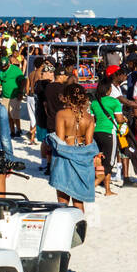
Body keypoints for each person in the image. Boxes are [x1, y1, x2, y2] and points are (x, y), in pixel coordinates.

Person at [48, 82, 97, 211]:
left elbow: (60, 140)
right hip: (81, 159)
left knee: (62, 202)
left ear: (67, 97)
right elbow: (89, 143)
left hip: (63, 160)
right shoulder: (89, 118)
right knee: (78, 202)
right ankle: (79, 228)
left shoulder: (61, 114)